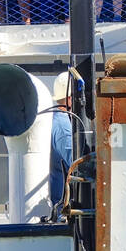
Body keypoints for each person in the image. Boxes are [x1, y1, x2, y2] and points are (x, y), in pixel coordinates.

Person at [50, 71, 74, 215]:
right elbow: (76, 164)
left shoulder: (54, 119)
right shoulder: (63, 126)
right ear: (70, 98)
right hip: (60, 211)